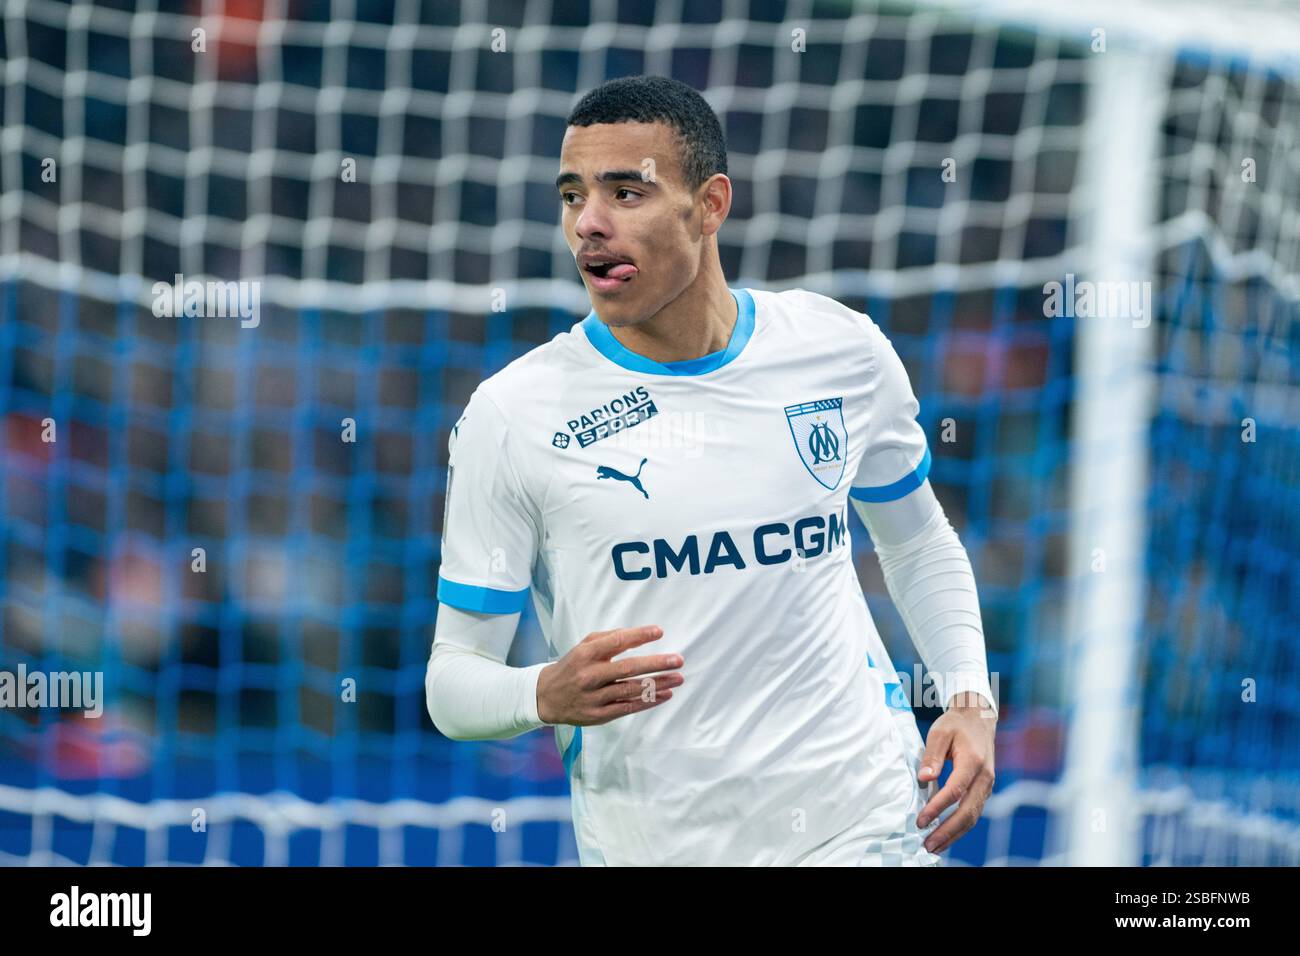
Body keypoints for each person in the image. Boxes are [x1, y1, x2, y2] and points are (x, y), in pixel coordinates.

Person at [427, 74, 997, 866]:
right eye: (571, 195)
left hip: (867, 823)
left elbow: (917, 541)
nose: (588, 224)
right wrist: (540, 694)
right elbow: (452, 682)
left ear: (711, 204)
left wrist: (970, 698)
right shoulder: (513, 415)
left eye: (626, 192)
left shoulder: (840, 351)